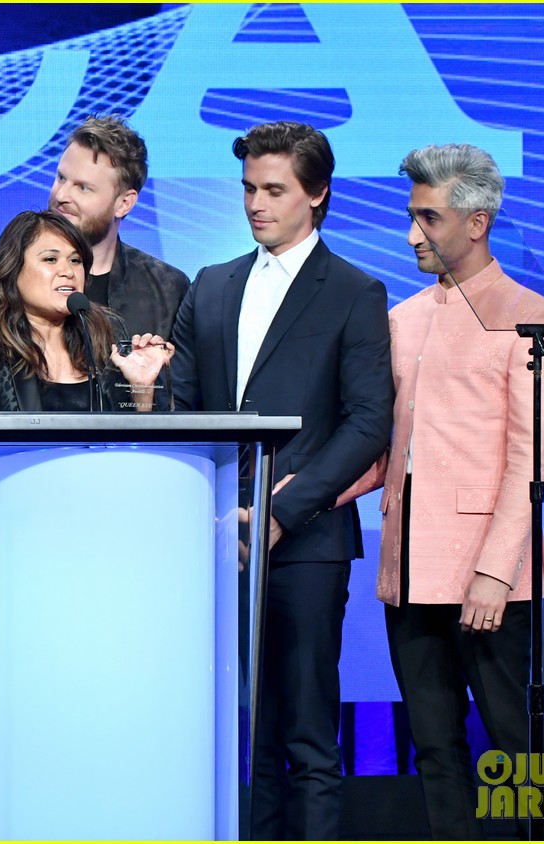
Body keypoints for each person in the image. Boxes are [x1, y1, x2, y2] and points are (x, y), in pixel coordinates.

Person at [169, 121, 394, 839]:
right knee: (246, 741)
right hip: (215, 537)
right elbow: (181, 406)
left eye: (273, 190)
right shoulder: (211, 285)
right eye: (248, 189)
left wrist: (279, 509)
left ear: (317, 194)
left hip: (304, 542)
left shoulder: (355, 291)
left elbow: (367, 422)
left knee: (307, 738)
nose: (255, 204)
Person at [376, 144, 544, 839]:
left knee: (518, 749)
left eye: (427, 218)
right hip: (409, 570)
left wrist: (493, 571)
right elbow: (385, 450)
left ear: (477, 222)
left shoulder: (532, 315)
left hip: (490, 577)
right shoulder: (401, 319)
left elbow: (530, 461)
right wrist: (292, 496)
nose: (411, 235)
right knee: (434, 748)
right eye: (411, 216)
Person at [0, 116, 189, 338]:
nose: (61, 195)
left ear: (124, 203)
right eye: (61, 178)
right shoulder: (10, 274)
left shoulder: (167, 290)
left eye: (83, 188)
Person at [0, 210, 173, 412]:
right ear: (12, 269)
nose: (68, 271)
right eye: (51, 259)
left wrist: (141, 390)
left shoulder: (109, 336)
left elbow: (144, 447)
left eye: (75, 260)